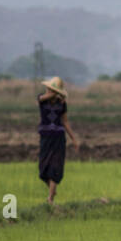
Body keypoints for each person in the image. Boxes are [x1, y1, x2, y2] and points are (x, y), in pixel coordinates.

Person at [37, 76, 80, 204]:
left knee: (56, 166)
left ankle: (50, 198)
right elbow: (42, 98)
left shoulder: (62, 104)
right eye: (49, 89)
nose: (48, 90)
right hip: (45, 137)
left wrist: (74, 138)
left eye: (51, 89)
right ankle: (52, 188)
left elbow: (65, 122)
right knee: (43, 168)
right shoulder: (42, 100)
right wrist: (55, 94)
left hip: (58, 138)